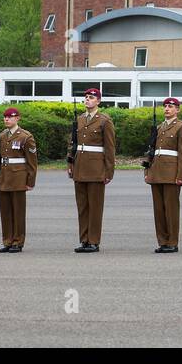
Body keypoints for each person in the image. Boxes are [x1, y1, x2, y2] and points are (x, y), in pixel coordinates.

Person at [69, 88, 116, 253]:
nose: (87, 99)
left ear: (98, 101)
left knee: (95, 207)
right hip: (80, 168)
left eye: (91, 97)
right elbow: (73, 144)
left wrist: (109, 171)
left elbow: (110, 148)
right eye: (86, 97)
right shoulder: (80, 119)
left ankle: (94, 241)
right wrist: (71, 164)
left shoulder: (104, 121)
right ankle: (84, 239)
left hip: (96, 170)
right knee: (82, 207)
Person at [144, 97, 182, 252]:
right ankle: (162, 241)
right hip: (156, 172)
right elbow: (151, 151)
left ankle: (172, 242)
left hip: (171, 173)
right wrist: (147, 171)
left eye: (171, 106)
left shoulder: (181, 127)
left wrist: (181, 176)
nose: (167, 109)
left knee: (171, 209)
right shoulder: (159, 127)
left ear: (177, 109)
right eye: (165, 106)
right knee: (159, 210)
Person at [0, 107, 37, 252]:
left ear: (17, 118)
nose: (6, 119)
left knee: (18, 212)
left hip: (19, 177)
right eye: (5, 117)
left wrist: (30, 181)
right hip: (4, 177)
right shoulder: (2, 136)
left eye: (10, 117)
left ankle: (18, 241)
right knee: (5, 212)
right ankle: (7, 240)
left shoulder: (25, 137)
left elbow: (32, 162)